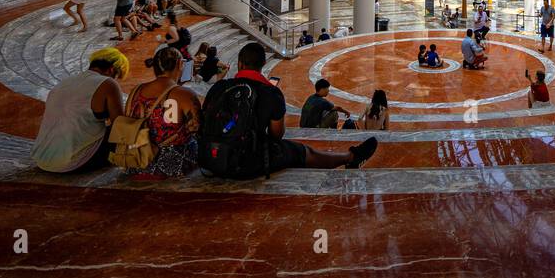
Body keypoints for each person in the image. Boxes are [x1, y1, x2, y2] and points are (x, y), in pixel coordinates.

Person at [222, 43, 376, 172]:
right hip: (248, 160)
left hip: (215, 157)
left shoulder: (220, 87)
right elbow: (277, 134)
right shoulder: (271, 93)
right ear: (263, 65)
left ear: (240, 63)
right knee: (304, 152)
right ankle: (351, 157)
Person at [31, 47, 127, 173]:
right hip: (73, 162)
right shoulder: (108, 83)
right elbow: (120, 123)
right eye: (116, 75)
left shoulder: (65, 82)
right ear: (111, 70)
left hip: (42, 159)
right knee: (124, 130)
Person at [121, 47, 201, 180]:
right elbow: (197, 127)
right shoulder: (185, 94)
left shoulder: (136, 90)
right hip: (172, 163)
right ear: (180, 64)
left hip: (138, 157)